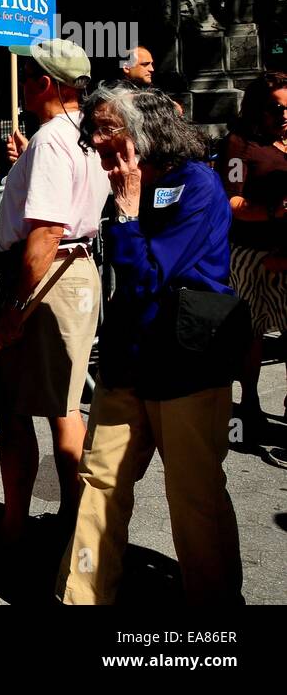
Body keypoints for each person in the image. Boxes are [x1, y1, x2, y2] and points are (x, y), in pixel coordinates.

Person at [59, 85, 245, 604]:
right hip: (129, 362)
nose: (96, 141)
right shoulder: (130, 183)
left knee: (193, 495)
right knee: (99, 486)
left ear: (147, 131)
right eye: (92, 129)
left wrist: (128, 213)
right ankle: (81, 596)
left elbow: (147, 278)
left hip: (185, 364)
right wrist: (126, 208)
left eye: (107, 128)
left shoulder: (198, 184)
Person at [0, 39, 110, 569]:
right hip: (71, 276)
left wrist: (14, 308)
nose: (25, 85)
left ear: (47, 85)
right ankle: (71, 532)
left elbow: (46, 233)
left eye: (30, 76)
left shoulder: (54, 141)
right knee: (64, 407)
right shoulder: (81, 136)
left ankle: (20, 535)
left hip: (46, 279)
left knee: (23, 411)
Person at [219, 70, 287, 437]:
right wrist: (276, 211)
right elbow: (231, 201)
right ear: (258, 109)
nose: (284, 117)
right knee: (252, 332)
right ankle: (249, 404)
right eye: (276, 109)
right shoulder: (240, 144)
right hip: (251, 253)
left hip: (286, 252)